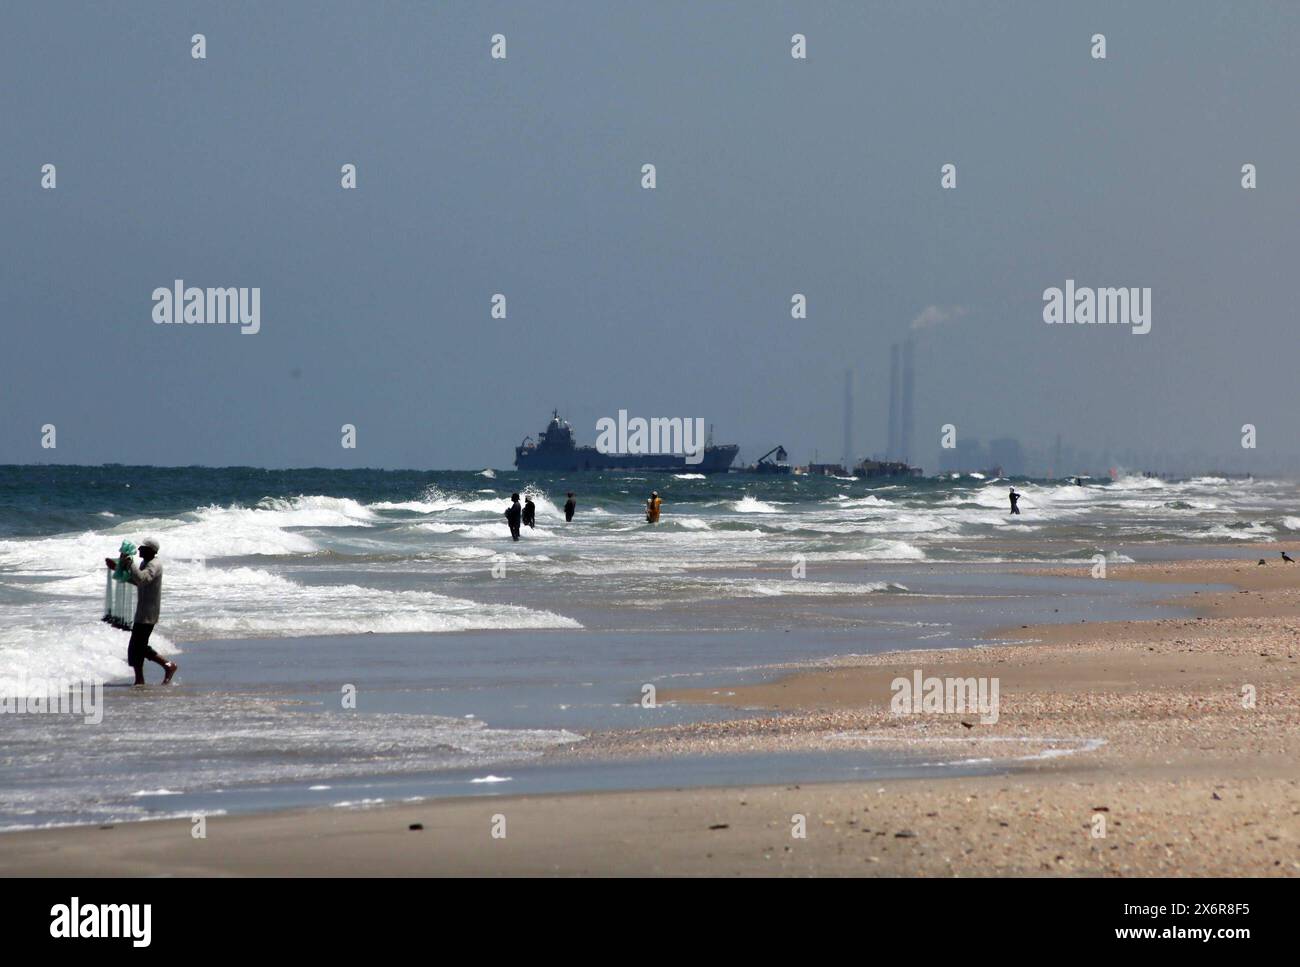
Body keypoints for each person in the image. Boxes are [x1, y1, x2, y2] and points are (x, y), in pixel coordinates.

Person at [103, 537, 177, 686]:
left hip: (148, 613)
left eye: (142, 548)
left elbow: (142, 579)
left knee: (138, 646)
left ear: (151, 550)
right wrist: (117, 569)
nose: (139, 550)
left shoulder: (154, 565)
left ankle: (166, 666)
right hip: (142, 611)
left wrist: (130, 564)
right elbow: (138, 581)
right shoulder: (145, 563)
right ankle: (144, 677)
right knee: (137, 646)